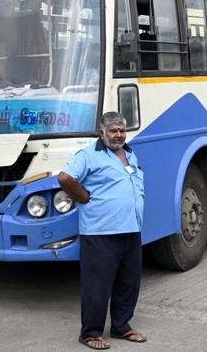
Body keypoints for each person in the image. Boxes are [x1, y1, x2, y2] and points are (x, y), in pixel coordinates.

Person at [58, 112, 147, 350]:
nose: (118, 135)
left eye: (121, 130)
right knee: (97, 285)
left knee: (129, 283)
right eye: (113, 131)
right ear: (102, 133)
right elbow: (65, 178)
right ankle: (90, 333)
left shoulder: (129, 153)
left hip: (131, 228)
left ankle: (122, 327)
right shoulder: (89, 155)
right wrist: (83, 196)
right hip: (100, 232)